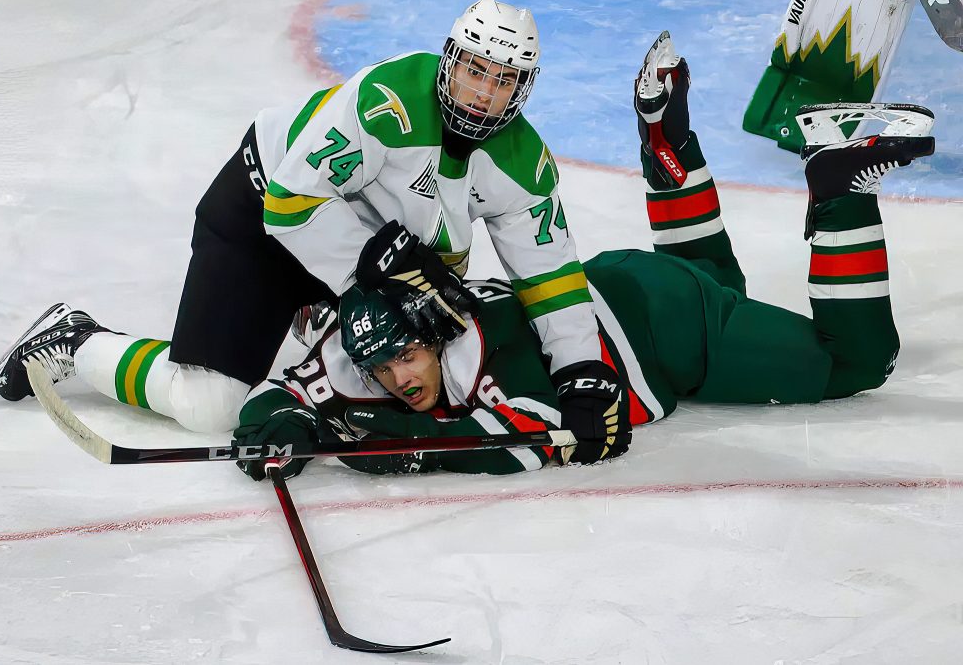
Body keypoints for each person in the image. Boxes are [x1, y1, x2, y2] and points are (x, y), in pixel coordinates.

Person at [230, 32, 934, 479]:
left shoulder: (483, 361)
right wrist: (281, 425)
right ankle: (669, 143)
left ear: (437, 328)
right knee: (721, 283)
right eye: (383, 366)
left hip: (664, 330)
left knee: (853, 363)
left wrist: (386, 442)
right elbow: (287, 391)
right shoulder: (380, 333)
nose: (395, 375)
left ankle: (840, 184)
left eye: (405, 360)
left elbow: (504, 440)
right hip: (626, 285)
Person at [0, 0, 622, 463]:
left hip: (360, 254)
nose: (484, 93)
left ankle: (319, 314)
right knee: (209, 405)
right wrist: (367, 273)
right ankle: (78, 337)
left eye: (504, 79)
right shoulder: (388, 101)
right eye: (475, 70)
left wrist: (582, 374)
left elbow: (552, 275)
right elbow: (290, 203)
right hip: (263, 216)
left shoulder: (522, 162)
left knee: (429, 363)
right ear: (450, 62)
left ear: (525, 88)